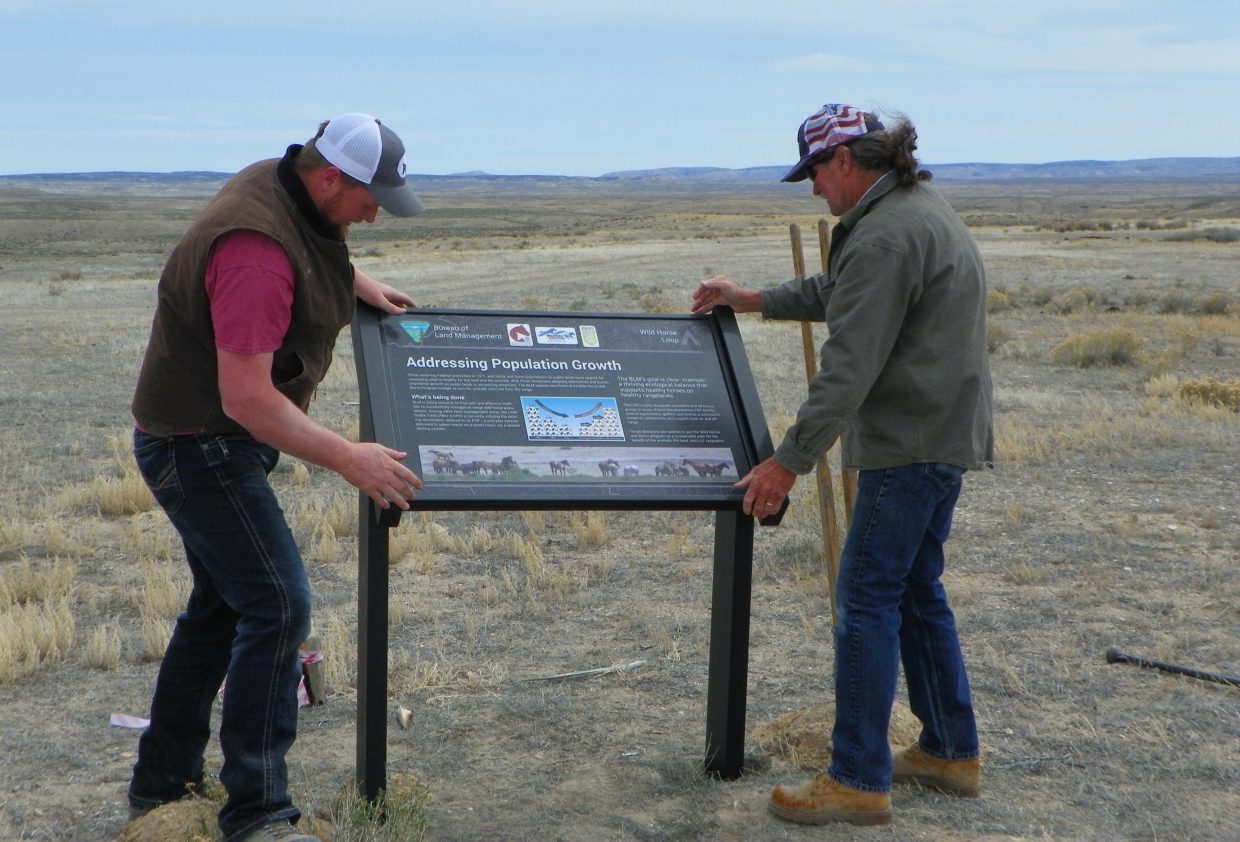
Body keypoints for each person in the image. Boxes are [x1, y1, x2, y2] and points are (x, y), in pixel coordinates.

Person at [691, 103, 993, 826]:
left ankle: (857, 776)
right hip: (939, 435)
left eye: (816, 175)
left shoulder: (885, 233)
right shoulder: (913, 209)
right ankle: (951, 752)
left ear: (847, 163)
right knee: (916, 591)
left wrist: (786, 464)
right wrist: (754, 299)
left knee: (864, 598)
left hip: (907, 445)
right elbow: (842, 295)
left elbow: (848, 366)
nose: (814, 192)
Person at [127, 113, 426, 842]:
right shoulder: (254, 252)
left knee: (222, 607)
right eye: (369, 197)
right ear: (331, 179)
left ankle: (162, 781)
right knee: (279, 605)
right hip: (202, 443)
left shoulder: (286, 183)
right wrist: (346, 456)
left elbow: (312, 244)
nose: (376, 210)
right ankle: (258, 812)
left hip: (212, 437)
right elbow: (248, 398)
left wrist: (354, 278)